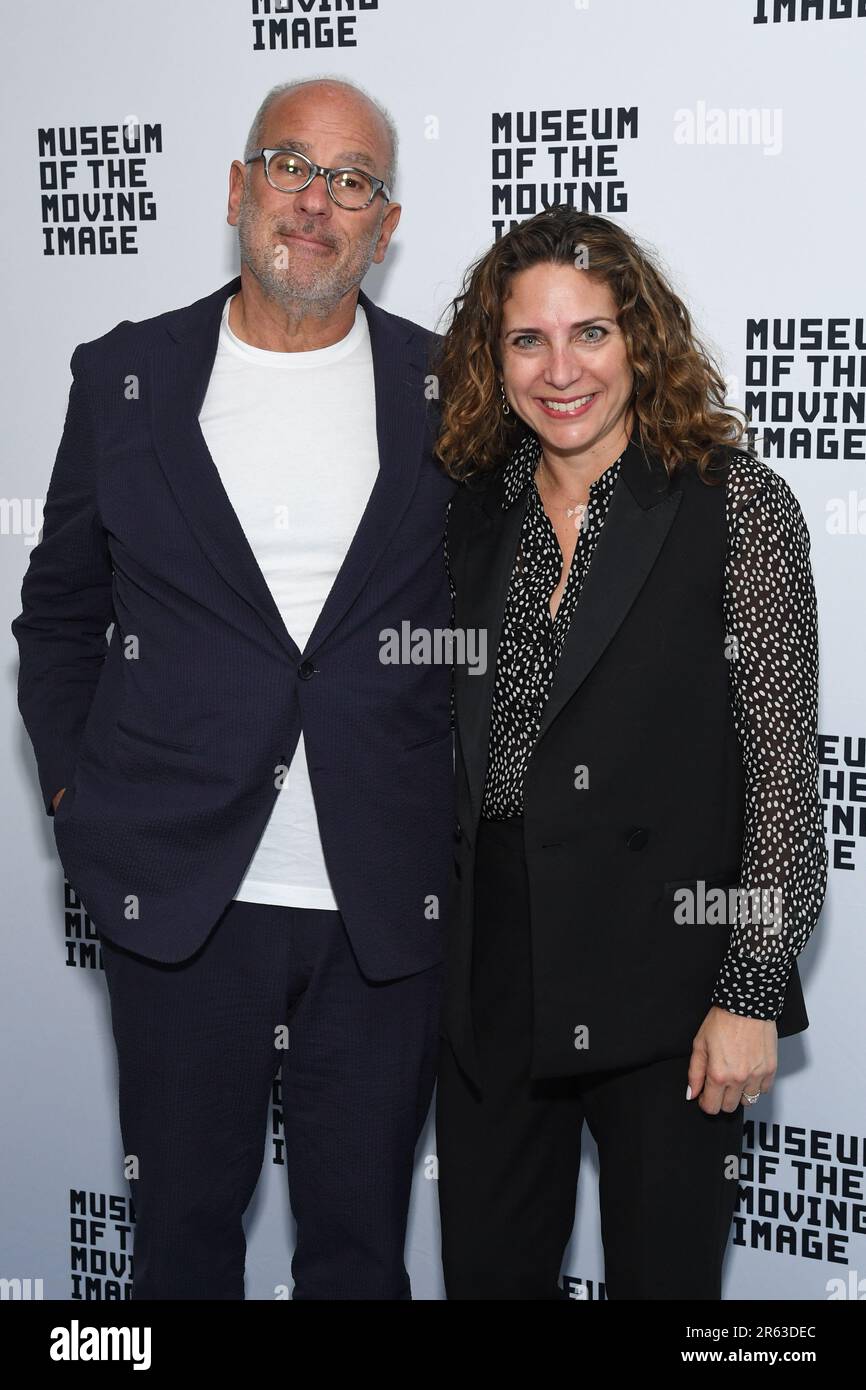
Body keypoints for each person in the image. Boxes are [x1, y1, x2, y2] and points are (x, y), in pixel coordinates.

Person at [12, 76, 455, 1300]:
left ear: (386, 220)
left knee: (361, 1252)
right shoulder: (125, 378)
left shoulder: (451, 391)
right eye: (289, 164)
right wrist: (73, 793)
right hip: (182, 897)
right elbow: (57, 619)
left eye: (351, 179)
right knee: (181, 1250)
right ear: (236, 188)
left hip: (382, 902)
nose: (316, 201)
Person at [432, 206, 828, 1300]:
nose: (561, 369)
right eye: (527, 339)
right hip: (494, 975)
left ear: (637, 341)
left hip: (670, 975)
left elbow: (784, 777)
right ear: (491, 355)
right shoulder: (468, 514)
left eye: (589, 333)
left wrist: (749, 988)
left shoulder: (732, 502)